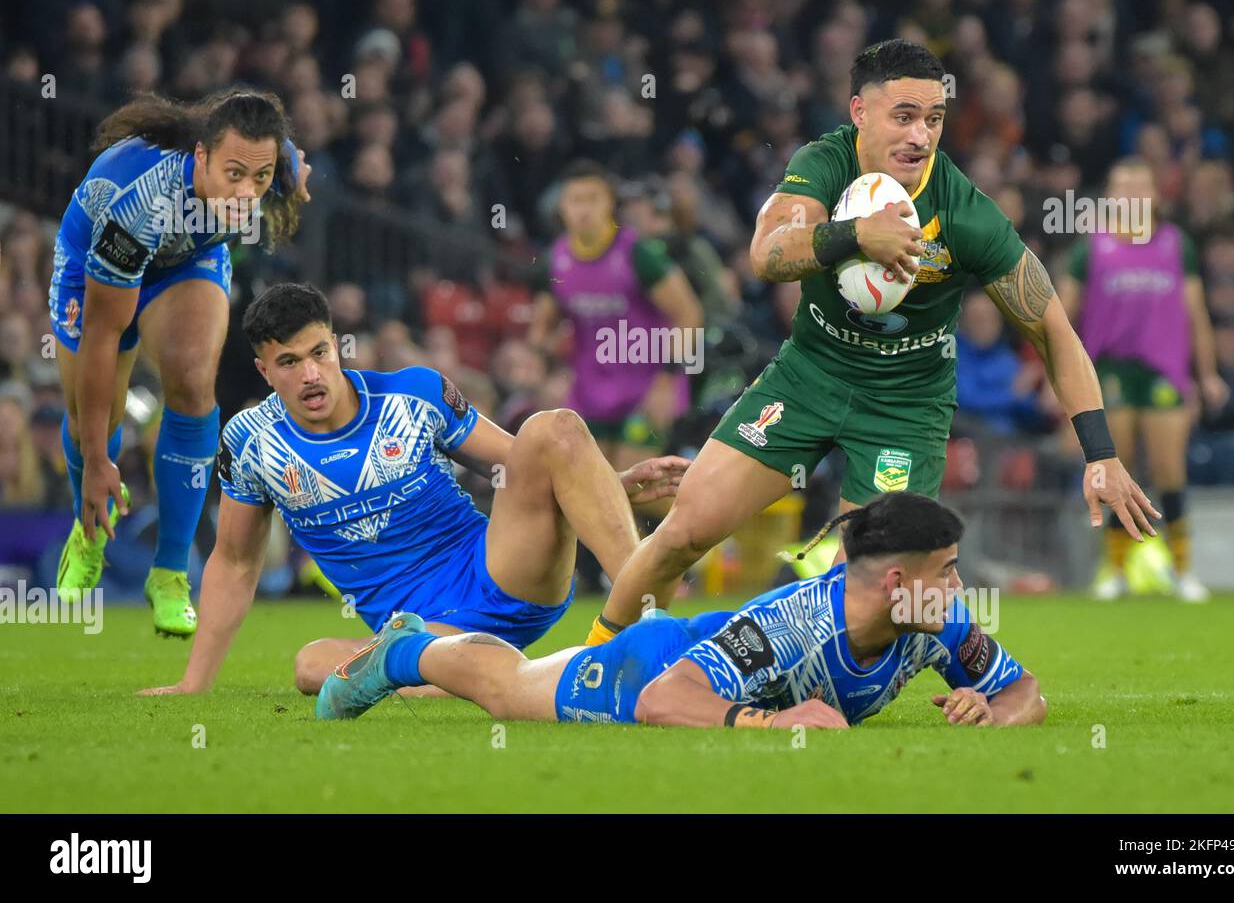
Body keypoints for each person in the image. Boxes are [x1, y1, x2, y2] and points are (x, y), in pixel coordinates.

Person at [586, 39, 1158, 644]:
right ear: (860, 113)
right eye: (904, 117)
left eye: (934, 120)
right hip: (808, 376)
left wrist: (1101, 454)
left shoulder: (964, 212)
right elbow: (767, 253)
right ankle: (592, 667)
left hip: (905, 409)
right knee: (683, 532)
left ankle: (862, 679)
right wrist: (857, 234)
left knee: (866, 593)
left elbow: (1053, 331)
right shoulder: (825, 164)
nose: (921, 136)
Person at [137, 283, 688, 697]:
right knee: (311, 665)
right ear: (264, 370)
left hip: (500, 573)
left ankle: (647, 629)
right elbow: (234, 563)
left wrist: (606, 484)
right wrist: (194, 684)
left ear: (337, 345)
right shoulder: (251, 442)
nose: (310, 374)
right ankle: (515, 672)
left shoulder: (413, 394)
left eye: (318, 354)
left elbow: (525, 462)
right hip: (424, 633)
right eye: (288, 362)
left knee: (555, 427)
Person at [313, 492, 1047, 731]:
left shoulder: (935, 622)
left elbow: (1025, 690)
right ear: (896, 581)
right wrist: (773, 723)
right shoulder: (794, 629)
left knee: (521, 677)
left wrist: (994, 711)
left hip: (689, 665)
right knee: (507, 694)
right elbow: (669, 701)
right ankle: (403, 651)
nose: (958, 590)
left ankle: (410, 651)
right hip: (656, 664)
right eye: (946, 574)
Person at [51, 87, 311, 635]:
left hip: (185, 259)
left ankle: (169, 573)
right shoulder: (138, 205)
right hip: (93, 264)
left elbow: (282, 160)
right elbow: (103, 333)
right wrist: (100, 460)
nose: (247, 194)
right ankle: (89, 527)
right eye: (233, 175)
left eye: (259, 179)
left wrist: (291, 177)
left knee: (194, 384)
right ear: (201, 157)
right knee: (95, 416)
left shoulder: (269, 159)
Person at [1058, 158, 1229, 601]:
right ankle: (1114, 569)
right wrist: (1051, 377)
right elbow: (1059, 315)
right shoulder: (1091, 249)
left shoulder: (1176, 245)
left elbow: (1196, 313)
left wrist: (1207, 373)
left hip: (1163, 371)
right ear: (1111, 197)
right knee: (1118, 465)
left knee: (1171, 468)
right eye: (1123, 186)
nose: (1132, 193)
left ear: (1155, 195)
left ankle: (1183, 568)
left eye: (1140, 185)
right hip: (1109, 369)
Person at [529, 160, 702, 477]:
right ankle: (701, 518)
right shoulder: (556, 261)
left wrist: (668, 381)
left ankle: (706, 520)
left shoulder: (639, 254)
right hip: (589, 392)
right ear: (562, 207)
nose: (584, 209)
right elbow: (541, 330)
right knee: (596, 485)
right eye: (575, 200)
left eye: (593, 198)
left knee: (630, 480)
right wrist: (547, 368)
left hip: (648, 388)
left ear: (610, 202)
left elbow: (689, 313)